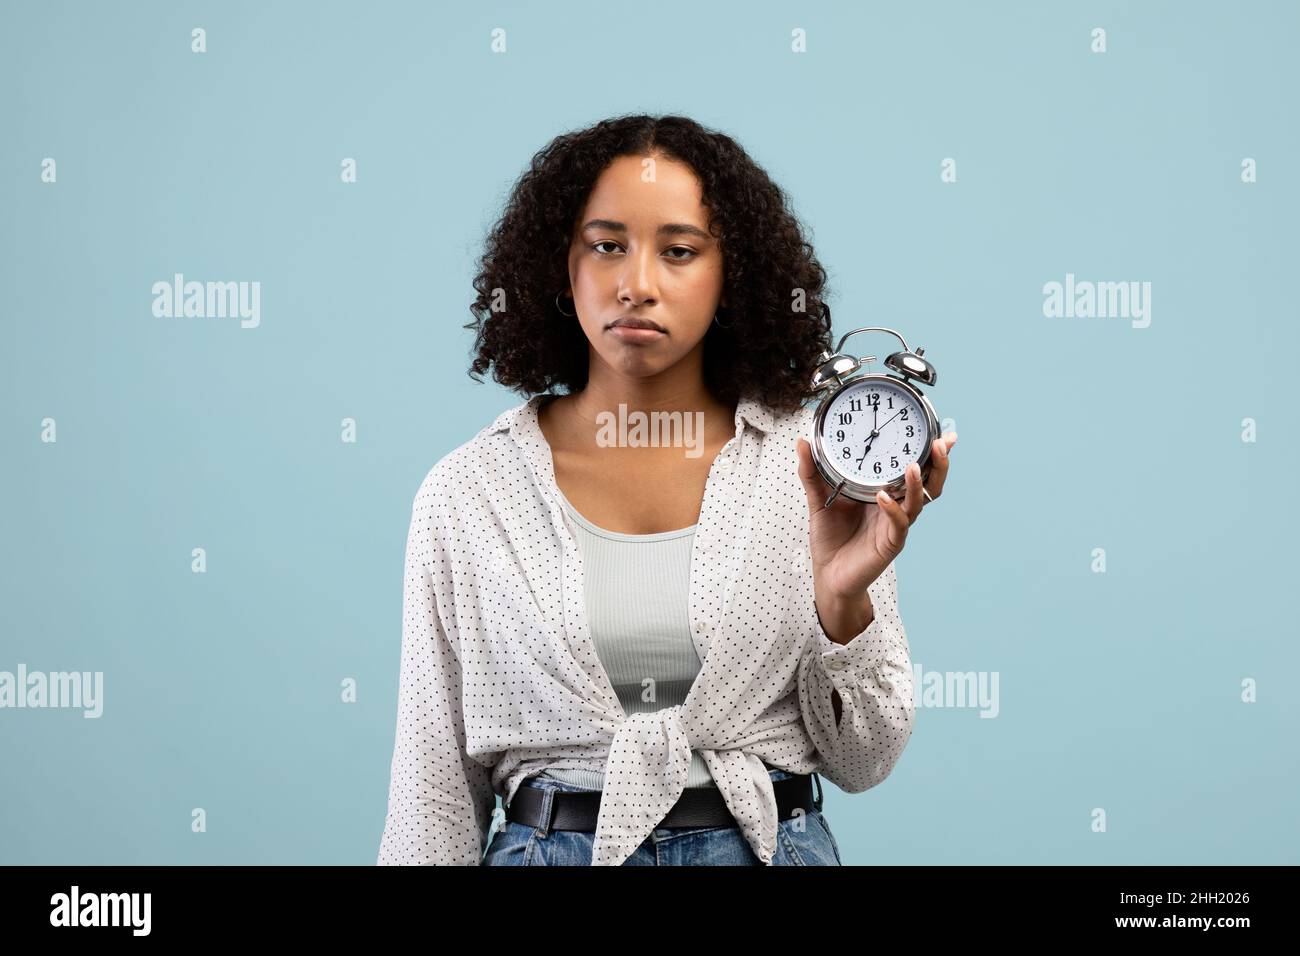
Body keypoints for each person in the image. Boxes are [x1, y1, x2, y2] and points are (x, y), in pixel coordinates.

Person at [376, 114, 956, 867]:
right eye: (606, 245)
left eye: (678, 251)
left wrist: (844, 603)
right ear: (562, 266)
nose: (636, 284)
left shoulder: (815, 468)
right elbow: (432, 799)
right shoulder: (469, 493)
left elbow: (866, 760)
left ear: (731, 276)